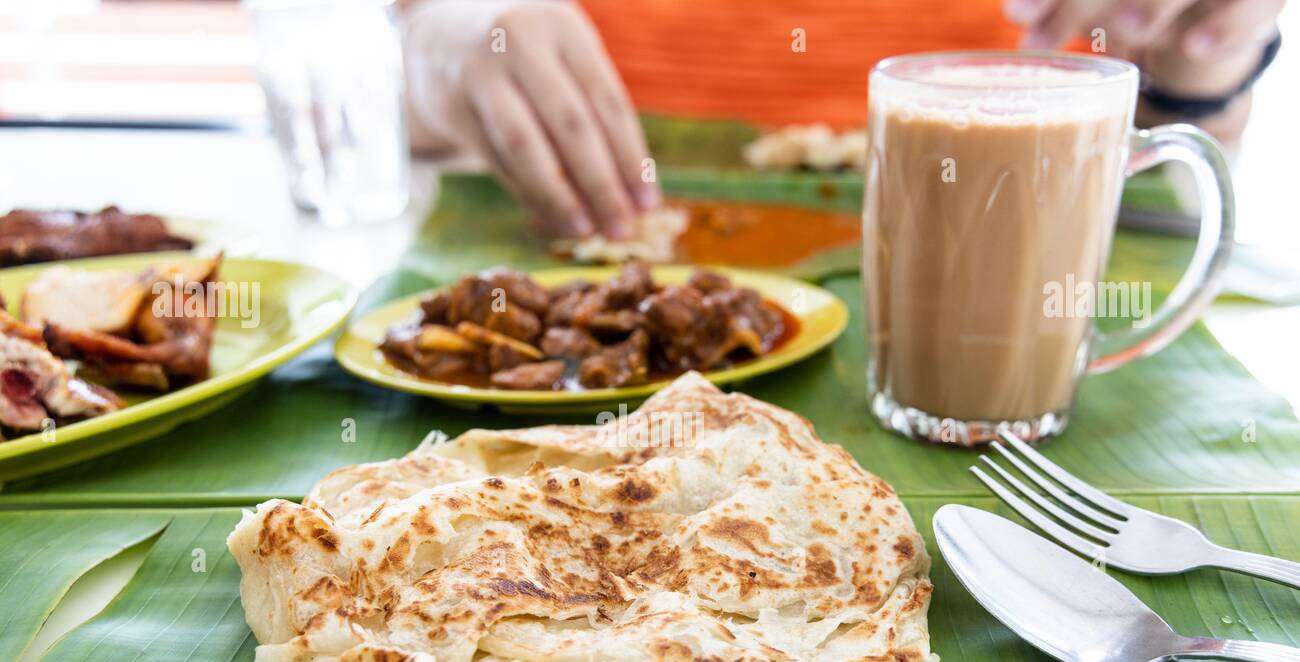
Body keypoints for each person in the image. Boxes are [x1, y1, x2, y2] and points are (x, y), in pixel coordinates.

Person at [400, 0, 1285, 238]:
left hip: (1002, 257)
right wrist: (440, 38)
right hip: (555, 238)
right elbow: (397, 110)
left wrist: (1205, 45)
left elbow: (1173, 173)